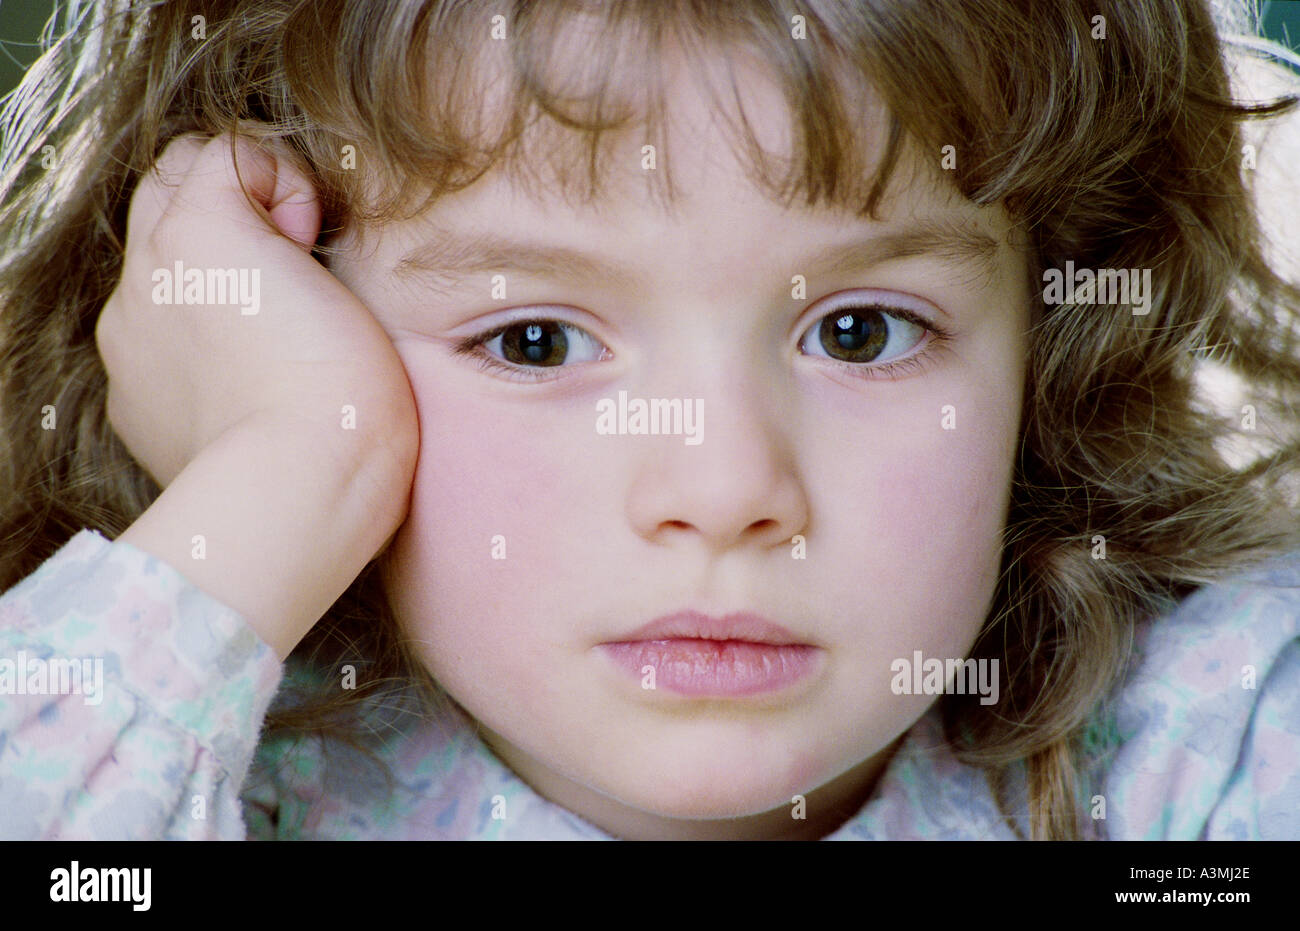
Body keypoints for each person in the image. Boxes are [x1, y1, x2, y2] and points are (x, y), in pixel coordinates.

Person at [1, 0, 1297, 840]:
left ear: (1054, 350)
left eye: (860, 330)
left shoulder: (1205, 745)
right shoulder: (216, 776)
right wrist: (278, 478)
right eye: (534, 340)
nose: (726, 487)